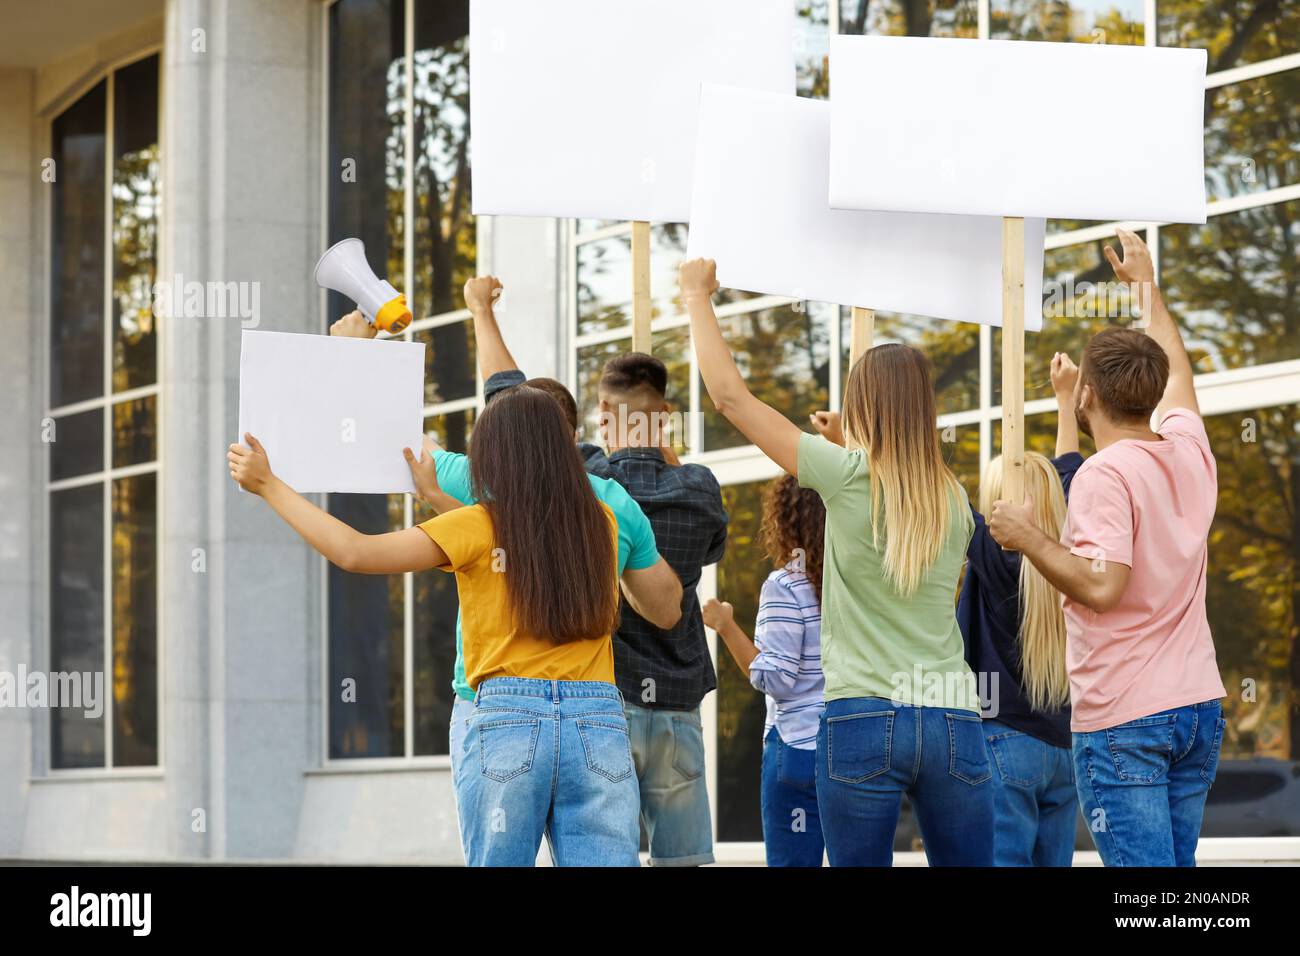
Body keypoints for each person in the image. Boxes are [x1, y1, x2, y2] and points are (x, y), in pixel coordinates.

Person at [228, 385, 647, 866]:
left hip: (509, 720)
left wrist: (269, 486)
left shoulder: (478, 524)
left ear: (495, 456)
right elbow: (518, 553)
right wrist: (433, 497)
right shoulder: (603, 523)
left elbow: (355, 551)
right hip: (597, 720)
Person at [681, 257, 991, 867]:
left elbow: (730, 398)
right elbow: (893, 491)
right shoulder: (954, 499)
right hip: (951, 714)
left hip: (862, 717)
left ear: (860, 408)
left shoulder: (845, 476)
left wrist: (696, 295)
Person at [330, 280, 682, 812]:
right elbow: (666, 609)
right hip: (591, 711)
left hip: (490, 705)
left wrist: (351, 355)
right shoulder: (612, 502)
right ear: (572, 434)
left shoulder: (479, 480)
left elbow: (397, 442)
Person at [989, 229, 1227, 867]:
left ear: (1086, 396)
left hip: (1128, 717)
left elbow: (1102, 584)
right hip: (1195, 709)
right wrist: (1148, 291)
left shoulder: (1104, 474)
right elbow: (1177, 371)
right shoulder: (1187, 449)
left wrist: (1027, 536)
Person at [581, 351, 730, 867]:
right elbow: (712, 550)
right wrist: (654, 430)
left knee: (602, 854)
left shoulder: (589, 477)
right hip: (676, 702)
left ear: (602, 410)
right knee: (685, 859)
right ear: (664, 415)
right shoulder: (699, 488)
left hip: (606, 697)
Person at [958, 352, 1084, 867]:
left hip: (1002, 737)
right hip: (1064, 748)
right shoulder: (1070, 554)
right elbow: (1068, 476)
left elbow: (926, 485)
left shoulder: (992, 554)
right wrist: (1065, 401)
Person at [702, 474, 826, 867]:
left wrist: (725, 625)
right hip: (850, 748)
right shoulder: (852, 585)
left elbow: (776, 679)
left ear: (783, 520)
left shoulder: (786, 585)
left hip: (797, 749)